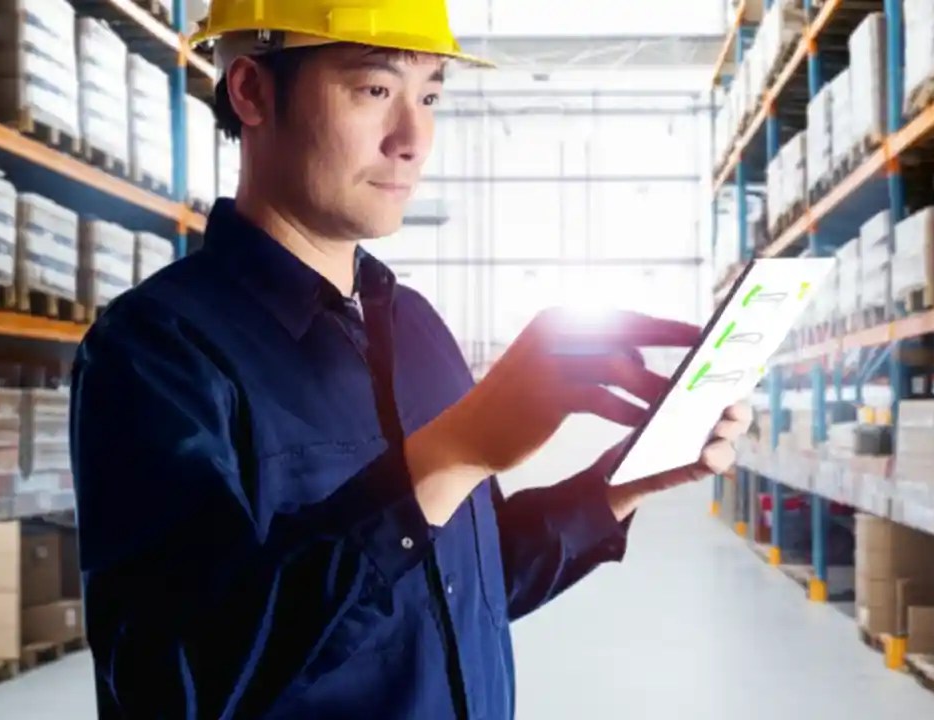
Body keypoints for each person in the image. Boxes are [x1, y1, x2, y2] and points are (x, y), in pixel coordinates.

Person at [68, 1, 751, 718]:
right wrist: (449, 454)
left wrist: (622, 481)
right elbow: (170, 680)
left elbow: (467, 585)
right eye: (374, 90)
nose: (413, 137)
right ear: (252, 92)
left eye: (429, 95)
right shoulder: (156, 353)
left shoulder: (416, 327)